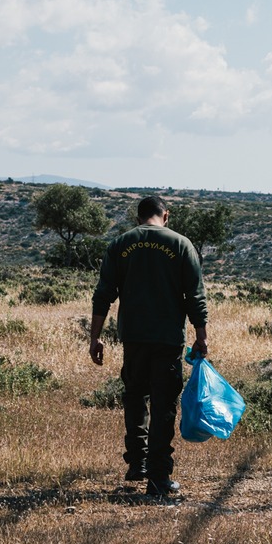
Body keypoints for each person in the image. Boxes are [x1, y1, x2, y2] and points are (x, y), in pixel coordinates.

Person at [89, 196, 207, 499]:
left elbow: (103, 294)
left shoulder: (121, 244)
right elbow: (195, 296)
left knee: (135, 397)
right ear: (165, 215)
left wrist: (95, 337)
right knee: (164, 405)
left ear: (138, 216)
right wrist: (201, 336)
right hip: (167, 339)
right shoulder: (181, 244)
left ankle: (138, 463)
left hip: (133, 337)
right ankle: (158, 477)